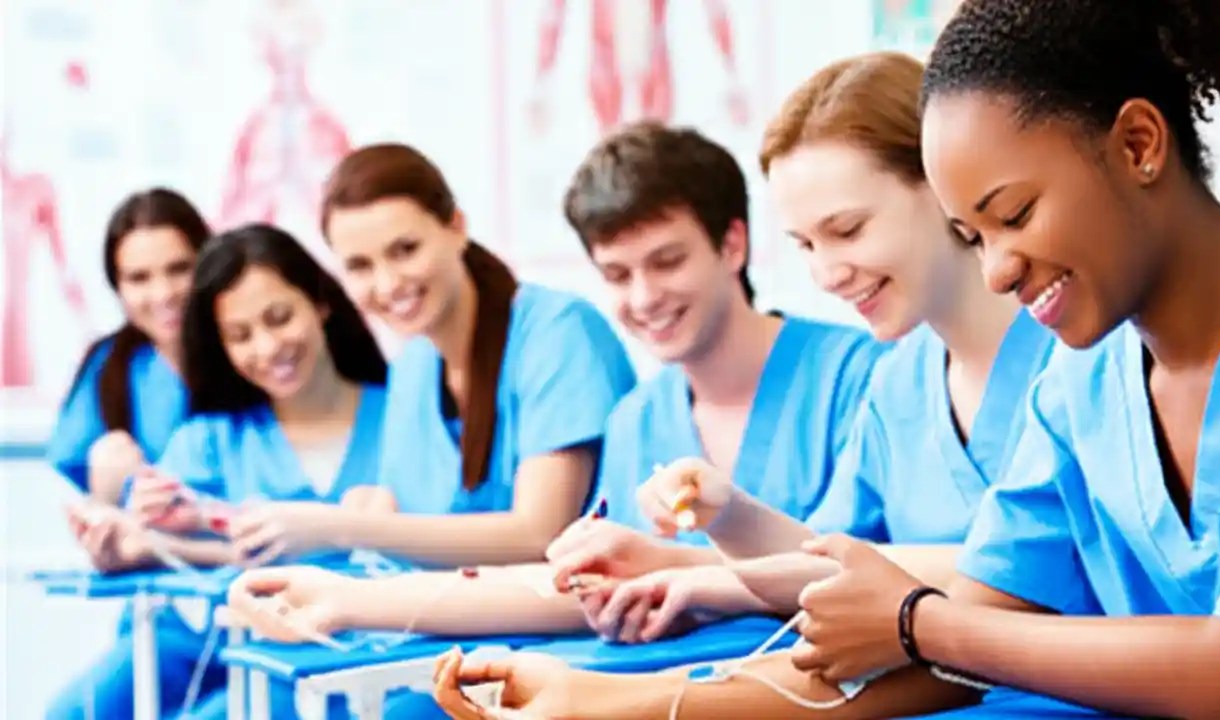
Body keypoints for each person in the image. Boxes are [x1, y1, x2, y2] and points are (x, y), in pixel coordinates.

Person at [432, 1, 1220, 718]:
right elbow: (947, 641)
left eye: (1013, 214)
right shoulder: (1080, 386)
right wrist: (616, 703)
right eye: (973, 234)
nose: (996, 269)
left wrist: (918, 623)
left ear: (1137, 145)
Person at [226, 124, 884, 643]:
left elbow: (879, 579)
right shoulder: (639, 420)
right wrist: (350, 598)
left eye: (667, 261)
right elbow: (571, 585)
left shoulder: (856, 378)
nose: (644, 296)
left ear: (733, 244)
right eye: (618, 275)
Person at [561, 52, 1056, 640]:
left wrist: (705, 581)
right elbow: (823, 557)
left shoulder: (1073, 354)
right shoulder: (899, 384)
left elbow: (1027, 569)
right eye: (805, 245)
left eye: (847, 231)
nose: (826, 274)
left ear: (945, 183)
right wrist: (727, 512)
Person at [47, 223, 390, 720]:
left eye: (279, 317)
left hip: (373, 670)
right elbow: (153, 537)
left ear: (319, 302)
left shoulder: (408, 413)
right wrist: (128, 539)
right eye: (240, 335)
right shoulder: (208, 441)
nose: (268, 347)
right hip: (232, 659)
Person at [47, 188, 211, 504]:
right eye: (139, 278)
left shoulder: (252, 355)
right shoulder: (107, 366)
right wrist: (110, 494)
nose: (163, 293)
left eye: (179, 269)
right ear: (117, 287)